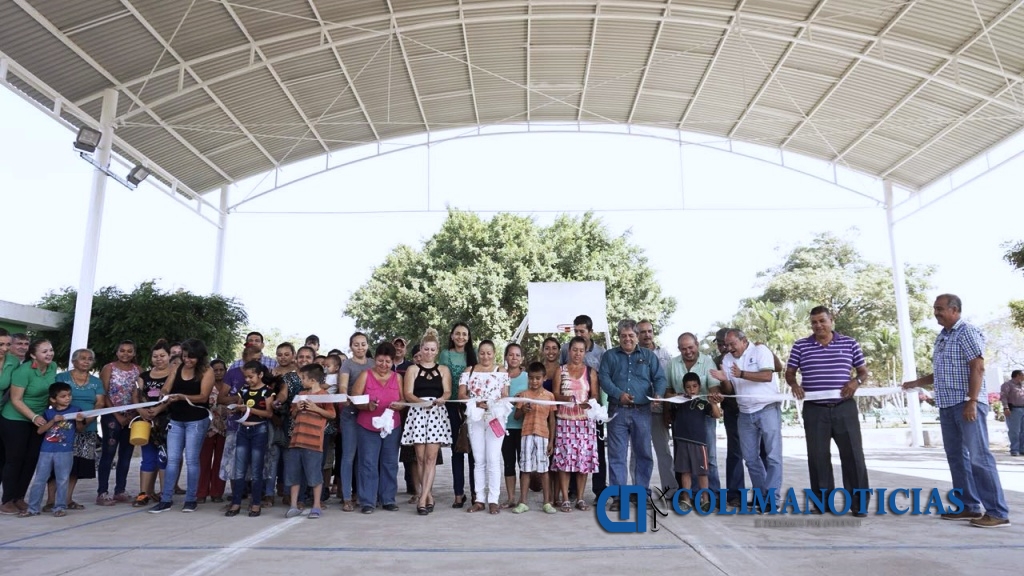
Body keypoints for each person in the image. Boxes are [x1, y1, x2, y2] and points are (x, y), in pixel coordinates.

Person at [901, 294, 1010, 528]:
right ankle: (968, 506)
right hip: (947, 405)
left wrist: (972, 400)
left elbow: (977, 366)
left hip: (966, 404)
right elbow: (940, 373)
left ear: (954, 310)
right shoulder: (942, 337)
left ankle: (998, 512)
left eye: (940, 309)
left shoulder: (966, 332)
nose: (936, 313)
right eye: (934, 309)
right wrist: (915, 383)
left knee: (979, 457)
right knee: (956, 458)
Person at [786, 306, 870, 516]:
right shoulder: (801, 346)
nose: (818, 326)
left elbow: (863, 371)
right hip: (815, 410)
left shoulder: (849, 343)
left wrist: (855, 382)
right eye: (814, 322)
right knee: (817, 457)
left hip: (844, 408)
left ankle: (859, 505)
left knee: (853, 456)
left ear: (831, 320)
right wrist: (794, 385)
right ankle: (823, 503)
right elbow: (789, 373)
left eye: (822, 321)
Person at [710, 329, 782, 511]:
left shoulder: (760, 351)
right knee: (750, 459)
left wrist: (741, 374)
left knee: (773, 456)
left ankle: (772, 498)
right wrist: (724, 379)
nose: (729, 348)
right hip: (744, 412)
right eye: (727, 345)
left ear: (744, 341)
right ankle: (763, 497)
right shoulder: (727, 360)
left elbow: (767, 375)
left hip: (767, 408)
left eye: (733, 344)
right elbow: (729, 390)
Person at [598, 319, 666, 511]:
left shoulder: (649, 356)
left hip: (642, 411)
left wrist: (658, 394)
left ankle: (641, 494)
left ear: (637, 337)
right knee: (617, 455)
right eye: (623, 335)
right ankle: (619, 497)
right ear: (619, 336)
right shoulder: (610, 356)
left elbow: (659, 378)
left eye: (631, 335)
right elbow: (604, 378)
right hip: (617, 411)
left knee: (643, 453)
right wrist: (619, 394)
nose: (627, 339)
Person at [149, 338, 214, 513]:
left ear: (200, 357)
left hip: (197, 420)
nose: (188, 360)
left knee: (192, 460)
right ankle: (166, 499)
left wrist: (180, 396)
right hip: (176, 420)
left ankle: (191, 499)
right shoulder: (176, 368)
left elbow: (203, 397)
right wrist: (164, 395)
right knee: (172, 460)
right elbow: (167, 388)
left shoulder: (207, 371)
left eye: (192, 357)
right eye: (185, 356)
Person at [1, 339, 57, 515]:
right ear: (33, 355)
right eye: (44, 351)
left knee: (31, 459)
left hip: (38, 419)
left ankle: (19, 497)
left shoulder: (53, 367)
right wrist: (33, 417)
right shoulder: (23, 371)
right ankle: (7, 500)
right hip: (15, 418)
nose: (49, 354)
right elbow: (15, 400)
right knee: (14, 458)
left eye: (50, 350)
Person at [400, 329, 452, 515]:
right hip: (418, 413)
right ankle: (428, 495)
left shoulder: (443, 370)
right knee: (420, 458)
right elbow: (408, 393)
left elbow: (447, 391)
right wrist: (422, 403)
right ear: (420, 350)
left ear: (437, 351)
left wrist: (441, 399)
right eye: (426, 349)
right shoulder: (413, 370)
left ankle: (422, 498)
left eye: (432, 349)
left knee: (431, 458)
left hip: (436, 413)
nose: (429, 352)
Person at [556, 315, 607, 501]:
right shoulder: (564, 349)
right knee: (568, 452)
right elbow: (561, 379)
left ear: (590, 332)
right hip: (567, 415)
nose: (579, 334)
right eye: (576, 331)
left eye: (582, 331)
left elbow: (602, 383)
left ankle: (599, 491)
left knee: (594, 453)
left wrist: (593, 402)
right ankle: (569, 493)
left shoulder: (601, 353)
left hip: (590, 413)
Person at [665, 332, 722, 494]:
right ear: (679, 349)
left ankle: (712, 494)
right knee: (684, 461)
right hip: (681, 419)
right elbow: (667, 392)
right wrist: (667, 414)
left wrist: (714, 398)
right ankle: (688, 495)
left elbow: (714, 388)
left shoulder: (708, 361)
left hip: (704, 417)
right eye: (683, 349)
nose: (688, 351)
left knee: (708, 457)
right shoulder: (672, 364)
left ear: (697, 345)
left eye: (691, 347)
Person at [352, 342, 404, 514]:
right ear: (375, 359)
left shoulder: (397, 377)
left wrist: (400, 405)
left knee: (390, 463)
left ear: (393, 361)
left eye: (388, 362)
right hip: (367, 425)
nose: (384, 365)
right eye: (380, 361)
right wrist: (368, 406)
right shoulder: (365, 375)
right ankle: (368, 501)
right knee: (368, 463)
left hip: (391, 426)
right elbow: (355, 399)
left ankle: (388, 499)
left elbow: (403, 400)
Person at [459, 340, 510, 514]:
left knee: (494, 459)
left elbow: (505, 394)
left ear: (494, 353)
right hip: (475, 419)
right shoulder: (469, 371)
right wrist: (476, 402)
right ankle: (479, 499)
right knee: (479, 460)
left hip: (495, 417)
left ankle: (493, 500)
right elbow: (461, 394)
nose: (485, 356)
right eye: (482, 353)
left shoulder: (501, 371)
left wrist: (493, 404)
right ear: (478, 353)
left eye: (489, 353)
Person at [19, 383, 84, 518]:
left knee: (63, 479)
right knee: (39, 479)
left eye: (69, 395)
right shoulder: (48, 412)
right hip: (46, 450)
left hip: (65, 451)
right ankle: (33, 508)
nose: (67, 398)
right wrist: (52, 421)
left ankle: (60, 506)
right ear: (53, 399)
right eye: (63, 396)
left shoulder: (75, 410)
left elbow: (79, 429)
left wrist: (78, 421)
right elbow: (40, 430)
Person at [51, 349, 103, 511]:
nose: (86, 361)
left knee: (76, 465)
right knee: (57, 463)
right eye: (82, 358)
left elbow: (100, 403)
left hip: (88, 428)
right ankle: (51, 500)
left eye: (89, 359)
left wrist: (86, 422)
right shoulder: (62, 378)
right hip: (63, 427)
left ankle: (67, 499)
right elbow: (54, 399)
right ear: (74, 361)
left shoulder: (96, 382)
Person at [551, 337, 599, 511]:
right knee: (564, 460)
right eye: (575, 350)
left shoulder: (590, 372)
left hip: (585, 422)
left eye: (581, 350)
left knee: (583, 462)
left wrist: (589, 402)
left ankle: (579, 498)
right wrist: (568, 399)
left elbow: (595, 395)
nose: (578, 354)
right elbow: (555, 394)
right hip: (565, 421)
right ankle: (565, 498)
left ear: (585, 352)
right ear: (569, 351)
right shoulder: (560, 370)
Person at [225, 361, 277, 517]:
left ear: (260, 375)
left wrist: (249, 409)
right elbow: (239, 406)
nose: (247, 380)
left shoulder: (267, 392)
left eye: (251, 376)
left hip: (259, 429)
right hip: (242, 429)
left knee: (256, 468)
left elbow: (269, 414)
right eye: (246, 377)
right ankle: (236, 502)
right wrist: (234, 410)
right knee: (239, 469)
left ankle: (255, 503)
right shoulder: (244, 390)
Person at [285, 363, 335, 519]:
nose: (301, 380)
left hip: (313, 442)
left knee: (314, 475)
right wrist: (297, 408)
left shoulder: (324, 395)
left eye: (303, 378)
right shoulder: (300, 394)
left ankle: (316, 505)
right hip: (296, 440)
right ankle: (294, 505)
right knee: (294, 474)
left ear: (312, 380)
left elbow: (332, 415)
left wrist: (315, 408)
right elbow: (292, 414)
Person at [97, 340, 141, 506]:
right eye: (122, 350)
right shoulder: (109, 368)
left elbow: (140, 395)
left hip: (131, 417)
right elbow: (104, 393)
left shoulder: (138, 370)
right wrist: (117, 414)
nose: (125, 354)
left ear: (134, 353)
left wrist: (131, 415)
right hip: (111, 416)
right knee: (108, 453)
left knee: (126, 454)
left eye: (129, 351)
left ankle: (120, 490)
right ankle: (102, 492)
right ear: (117, 352)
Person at [512, 362, 557, 514]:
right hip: (526, 435)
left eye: (538, 378)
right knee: (525, 469)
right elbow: (516, 416)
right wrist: (523, 409)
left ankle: (547, 502)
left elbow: (552, 419)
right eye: (531, 378)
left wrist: (551, 441)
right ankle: (523, 502)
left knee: (544, 470)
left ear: (544, 378)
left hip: (543, 436)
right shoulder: (524, 395)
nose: (534, 381)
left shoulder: (550, 396)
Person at [133, 340, 174, 507]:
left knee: (164, 458)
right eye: (155, 356)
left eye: (162, 356)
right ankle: (143, 493)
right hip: (145, 421)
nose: (159, 359)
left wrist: (158, 410)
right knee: (147, 458)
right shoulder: (143, 376)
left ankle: (165, 494)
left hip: (167, 421)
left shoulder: (174, 375)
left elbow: (172, 397)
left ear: (169, 357)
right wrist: (141, 410)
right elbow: (136, 395)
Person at [439, 322, 476, 508]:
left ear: (468, 337)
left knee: (474, 452)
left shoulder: (473, 355)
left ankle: (475, 493)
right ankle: (458, 493)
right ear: (452, 336)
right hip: (452, 407)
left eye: (465, 334)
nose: (461, 337)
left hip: (471, 407)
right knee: (457, 450)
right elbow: (443, 378)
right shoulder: (445, 354)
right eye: (458, 334)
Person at [672, 373, 721, 512]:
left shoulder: (703, 403)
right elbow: (667, 401)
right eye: (688, 387)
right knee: (685, 472)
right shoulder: (679, 402)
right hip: (682, 442)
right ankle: (686, 499)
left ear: (699, 387)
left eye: (694, 386)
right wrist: (677, 396)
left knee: (702, 473)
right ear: (684, 388)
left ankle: (705, 499)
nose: (691, 390)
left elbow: (717, 415)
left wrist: (713, 403)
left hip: (699, 444)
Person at [636, 320, 675, 493]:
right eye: (642, 332)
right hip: (638, 410)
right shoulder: (631, 354)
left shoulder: (665, 354)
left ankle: (671, 490)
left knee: (664, 452)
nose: (647, 335)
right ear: (637, 335)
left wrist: (667, 410)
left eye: (649, 331)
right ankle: (640, 491)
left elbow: (669, 383)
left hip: (660, 411)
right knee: (638, 454)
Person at [338, 332, 372, 511]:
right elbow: (343, 386)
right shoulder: (346, 365)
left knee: (365, 456)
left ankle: (362, 494)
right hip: (350, 412)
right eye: (356, 344)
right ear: (351, 346)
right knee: (349, 456)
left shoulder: (373, 364)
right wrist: (347, 396)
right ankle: (346, 497)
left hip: (368, 414)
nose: (360, 347)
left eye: (363, 344)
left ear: (367, 345)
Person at [197, 359, 228, 503]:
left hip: (224, 427)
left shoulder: (230, 387)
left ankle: (217, 492)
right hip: (207, 427)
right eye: (215, 370)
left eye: (222, 370)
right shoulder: (205, 384)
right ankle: (201, 492)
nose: (219, 373)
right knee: (203, 461)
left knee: (220, 461)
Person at [501, 342, 527, 508]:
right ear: (505, 357)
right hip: (504, 427)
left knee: (523, 464)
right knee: (508, 463)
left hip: (524, 427)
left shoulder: (527, 377)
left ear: (522, 358)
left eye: (517, 355)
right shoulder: (500, 376)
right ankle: (511, 498)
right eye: (511, 354)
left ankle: (522, 499)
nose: (514, 358)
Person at [1000, 370, 1024, 457]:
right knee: (1014, 431)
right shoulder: (1007, 385)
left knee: (1023, 431)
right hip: (1014, 410)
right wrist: (1006, 407)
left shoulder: (1021, 386)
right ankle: (1014, 449)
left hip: (1023, 409)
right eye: (1022, 375)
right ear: (1018, 375)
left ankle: (1022, 449)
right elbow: (1003, 397)